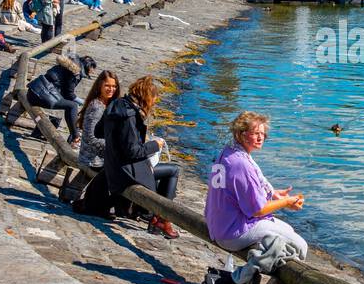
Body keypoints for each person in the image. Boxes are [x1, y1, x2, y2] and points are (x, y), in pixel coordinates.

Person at [204, 111, 307, 257]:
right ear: (240, 134)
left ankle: (259, 272)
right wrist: (286, 201)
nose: (260, 138)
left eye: (263, 134)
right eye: (255, 133)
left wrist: (274, 194)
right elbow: (257, 210)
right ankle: (248, 274)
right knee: (301, 245)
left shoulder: (228, 152)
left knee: (288, 230)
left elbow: (236, 190)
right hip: (231, 232)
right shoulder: (241, 164)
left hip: (218, 224)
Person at [98, 76, 180, 237]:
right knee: (173, 170)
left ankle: (154, 215)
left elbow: (99, 131)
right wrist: (155, 145)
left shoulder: (116, 104)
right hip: (124, 172)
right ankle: (161, 218)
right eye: (153, 100)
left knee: (162, 170)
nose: (153, 104)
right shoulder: (130, 116)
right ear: (146, 97)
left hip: (112, 164)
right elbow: (133, 152)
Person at [27, 53, 96, 147]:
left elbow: (64, 91)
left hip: (34, 91)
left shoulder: (67, 64)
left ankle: (40, 132)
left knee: (66, 104)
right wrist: (85, 103)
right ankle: (76, 137)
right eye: (92, 70)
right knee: (72, 106)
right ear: (88, 67)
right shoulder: (76, 72)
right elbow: (69, 94)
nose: (92, 72)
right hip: (44, 96)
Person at [78, 69, 120, 169]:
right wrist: (115, 148)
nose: (111, 89)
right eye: (107, 86)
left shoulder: (108, 104)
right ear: (99, 85)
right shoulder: (96, 107)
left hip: (98, 159)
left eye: (114, 86)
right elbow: (91, 138)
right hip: (92, 162)